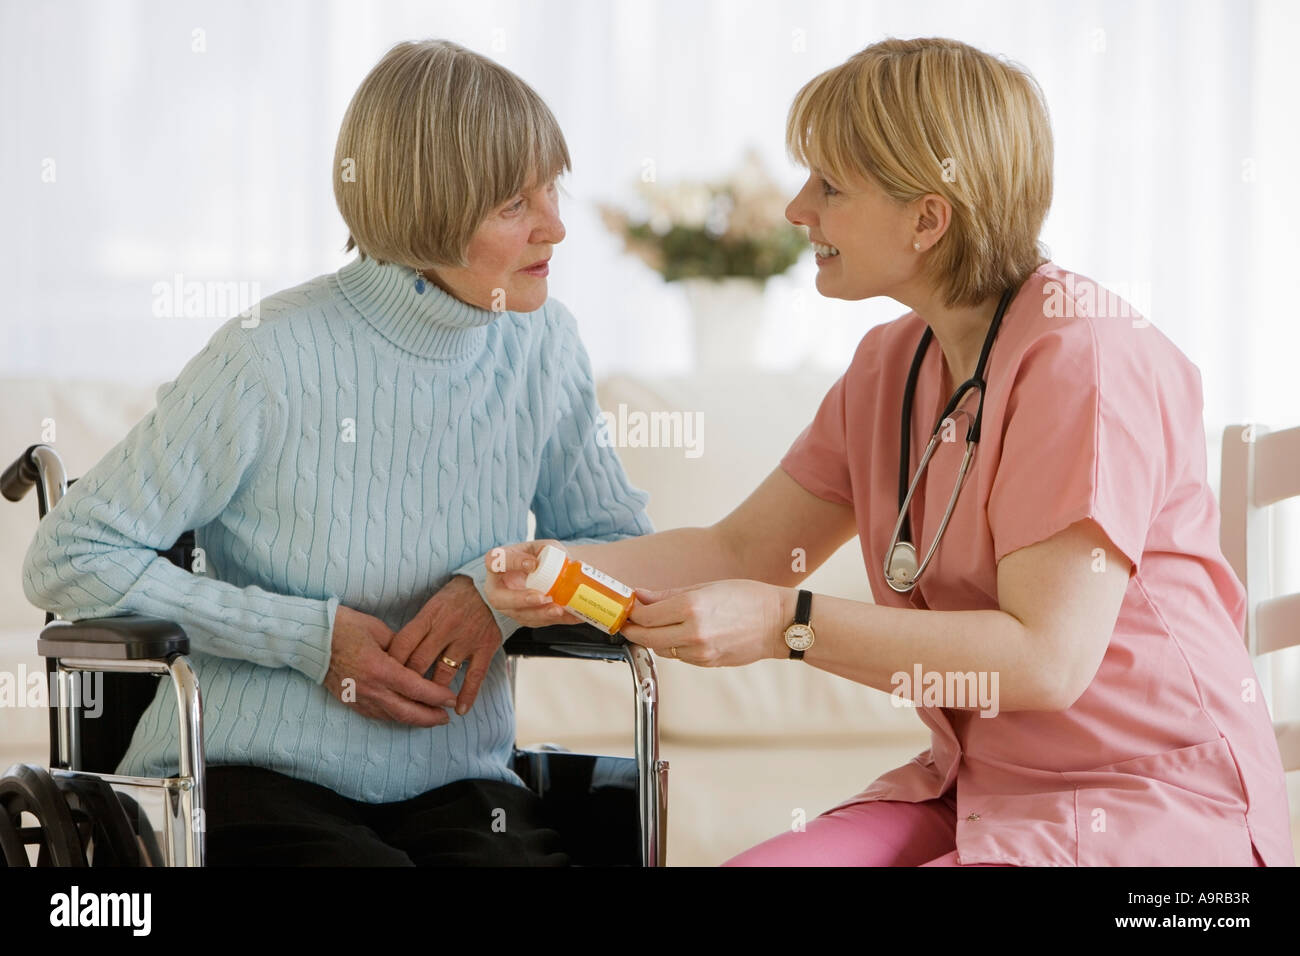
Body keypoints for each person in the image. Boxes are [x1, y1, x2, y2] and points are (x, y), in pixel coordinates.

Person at [484, 36, 1294, 867]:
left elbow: (1046, 662)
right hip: (975, 788)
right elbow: (740, 551)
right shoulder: (890, 366)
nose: (798, 210)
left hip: (1150, 804)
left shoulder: (1086, 358)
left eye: (829, 186)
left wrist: (785, 626)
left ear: (927, 218)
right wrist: (539, 572)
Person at [21, 39, 652, 866]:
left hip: (460, 785)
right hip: (247, 776)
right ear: (426, 207)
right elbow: (67, 557)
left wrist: (500, 592)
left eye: (552, 187)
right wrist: (307, 639)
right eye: (512, 203)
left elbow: (627, 572)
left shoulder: (545, 344)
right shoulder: (270, 355)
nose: (556, 225)